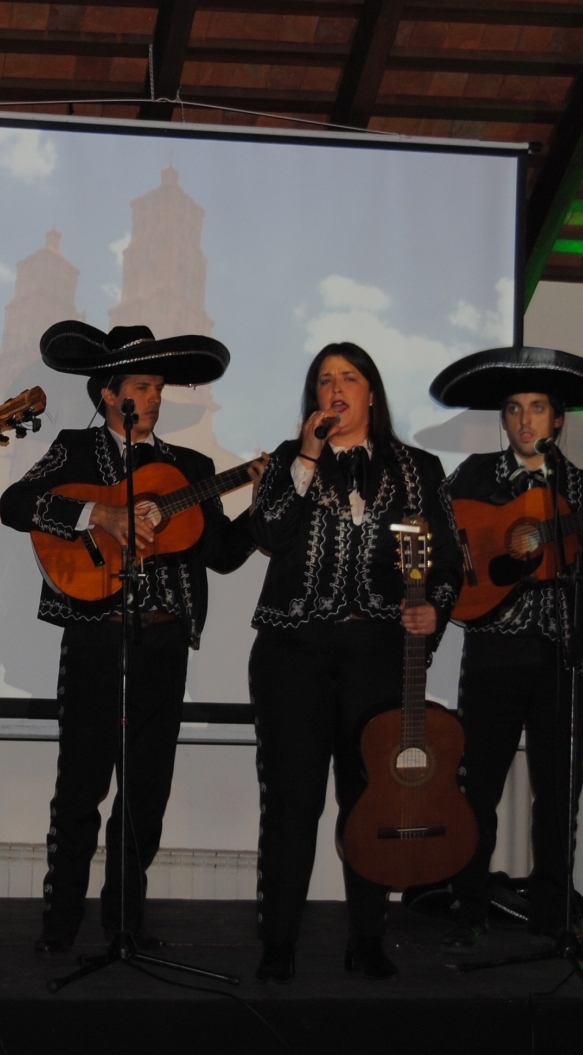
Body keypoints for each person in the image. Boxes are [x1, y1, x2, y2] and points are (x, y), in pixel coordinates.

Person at [0, 322, 261, 953]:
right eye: (143, 386)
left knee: (146, 790)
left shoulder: (189, 467)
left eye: (160, 387)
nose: (156, 397)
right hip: (95, 637)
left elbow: (223, 555)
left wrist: (268, 499)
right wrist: (99, 513)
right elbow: (15, 504)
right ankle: (60, 923)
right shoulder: (76, 451)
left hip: (163, 644)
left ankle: (124, 921)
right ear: (109, 393)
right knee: (81, 786)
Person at [427, 346, 583, 948]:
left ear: (558, 420)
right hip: (493, 658)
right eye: (513, 410)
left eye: (537, 409)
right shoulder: (473, 476)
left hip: (561, 660)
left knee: (559, 793)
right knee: (478, 786)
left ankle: (554, 915)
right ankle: (467, 906)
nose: (524, 421)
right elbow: (442, 549)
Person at [247, 342, 461, 982]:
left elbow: (448, 561)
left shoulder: (420, 468)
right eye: (323, 380)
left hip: (377, 653)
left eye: (348, 378)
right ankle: (278, 943)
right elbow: (268, 534)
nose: (335, 389)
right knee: (290, 801)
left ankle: (367, 940)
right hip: (293, 652)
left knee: (371, 797)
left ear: (372, 392)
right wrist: (308, 456)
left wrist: (436, 612)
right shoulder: (291, 460)